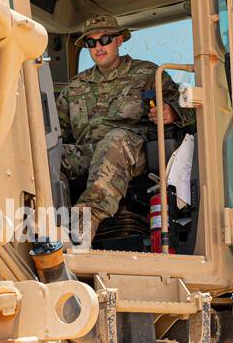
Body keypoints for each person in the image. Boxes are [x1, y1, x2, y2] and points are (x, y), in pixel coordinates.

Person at [56, 14, 191, 245]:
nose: (98, 47)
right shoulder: (75, 86)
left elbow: (190, 110)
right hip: (89, 153)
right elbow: (59, 132)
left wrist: (172, 113)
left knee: (114, 140)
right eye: (91, 42)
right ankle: (50, 227)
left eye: (105, 39)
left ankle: (84, 223)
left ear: (119, 40)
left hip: (133, 150)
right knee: (49, 156)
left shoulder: (149, 74)